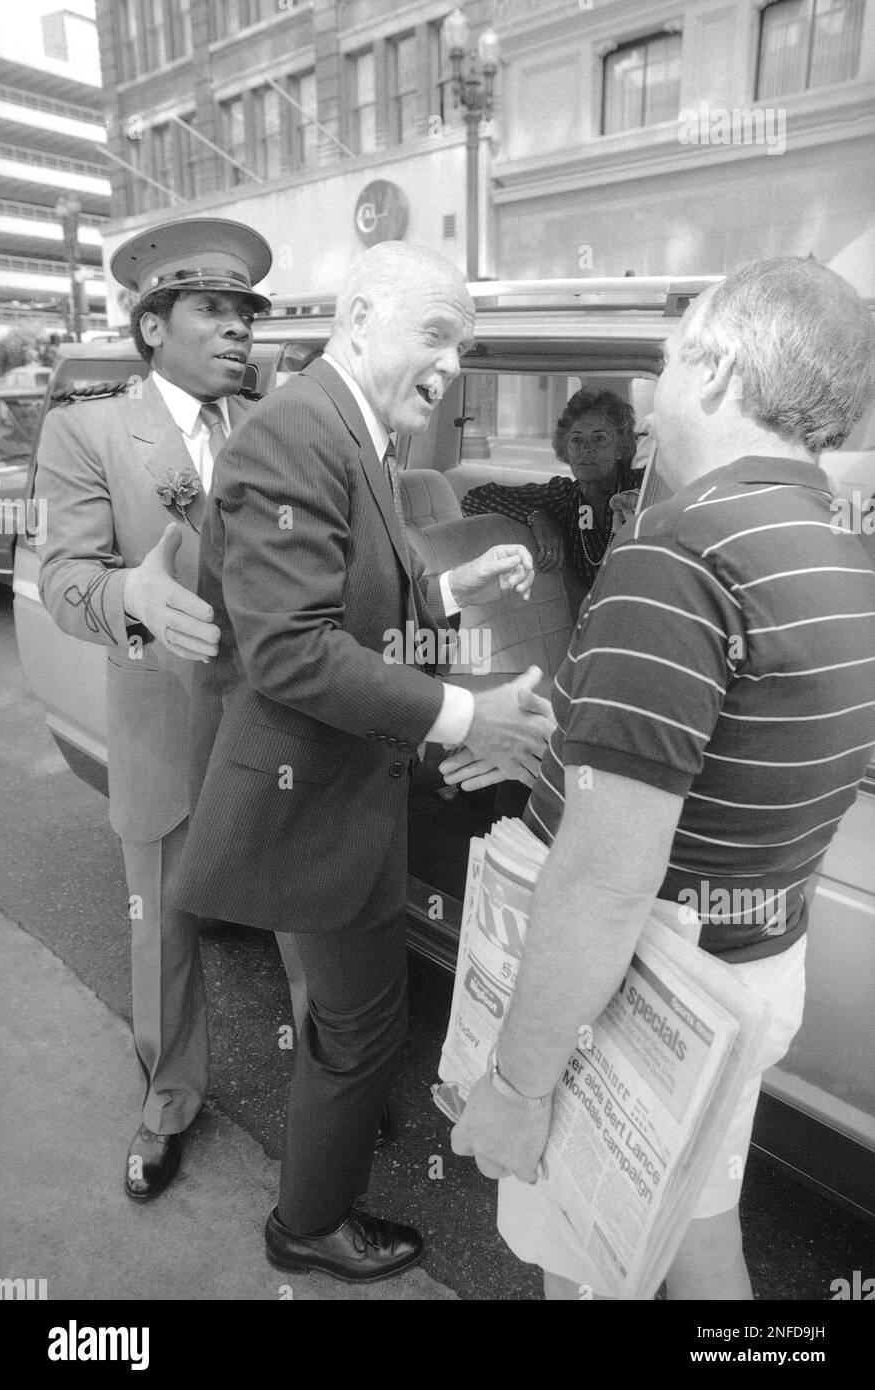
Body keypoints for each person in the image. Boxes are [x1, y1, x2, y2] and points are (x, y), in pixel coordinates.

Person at [445, 256, 875, 1299]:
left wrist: (513, 1082)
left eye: (671, 358)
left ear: (720, 370)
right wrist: (568, 751)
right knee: (698, 1238)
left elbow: (603, 880)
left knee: (583, 1265)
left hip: (641, 984)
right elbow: (740, 753)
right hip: (751, 969)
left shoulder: (678, 554)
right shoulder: (842, 548)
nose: (651, 390)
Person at [173, 241, 555, 1284]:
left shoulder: (351, 432)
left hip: (346, 788)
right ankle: (309, 1224)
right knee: (360, 1026)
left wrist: (455, 584)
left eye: (462, 346)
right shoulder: (298, 435)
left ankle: (320, 1182)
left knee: (351, 1020)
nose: (450, 365)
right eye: (434, 333)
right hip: (313, 801)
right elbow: (293, 650)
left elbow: (359, 605)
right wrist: (464, 712)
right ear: (356, 317)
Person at [36, 218, 276, 1202]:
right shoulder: (89, 427)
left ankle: (331, 1100)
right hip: (165, 730)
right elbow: (63, 579)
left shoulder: (268, 426)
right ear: (151, 326)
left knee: (299, 920)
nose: (238, 332)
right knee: (163, 932)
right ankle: (169, 1101)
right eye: (213, 310)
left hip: (272, 728)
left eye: (245, 313)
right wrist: (127, 597)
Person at [460, 387, 643, 586]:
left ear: (621, 446)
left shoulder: (640, 486)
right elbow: (475, 498)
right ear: (566, 448)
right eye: (576, 439)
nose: (586, 448)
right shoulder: (563, 496)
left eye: (599, 438)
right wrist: (536, 517)